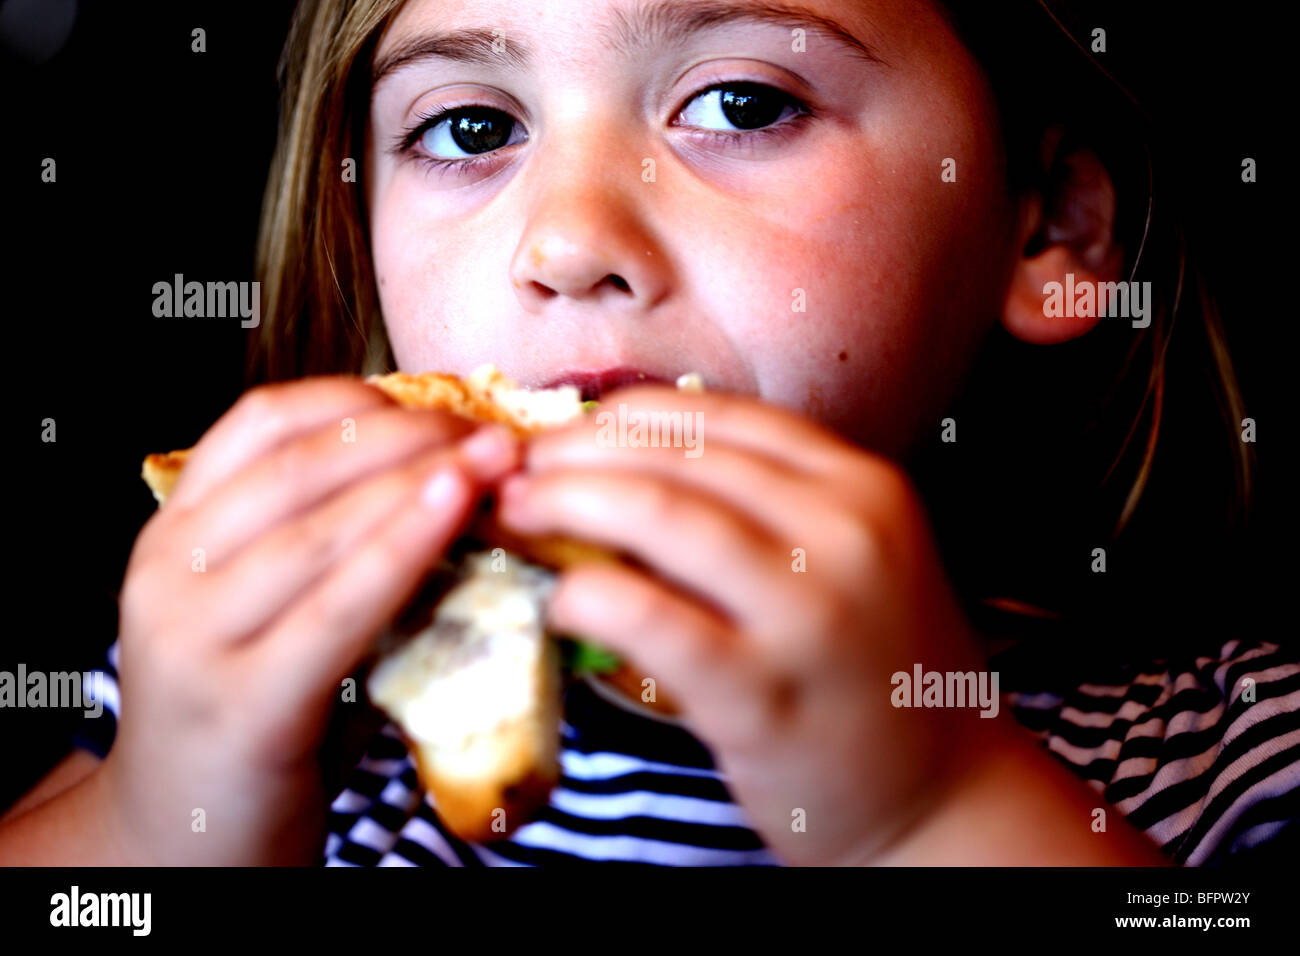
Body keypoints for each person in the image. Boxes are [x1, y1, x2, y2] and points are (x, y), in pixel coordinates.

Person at [2, 0, 1292, 866]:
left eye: (740, 105)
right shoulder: (274, 677)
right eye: (471, 129)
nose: (568, 243)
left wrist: (935, 808)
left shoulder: (1228, 752)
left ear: (1047, 230)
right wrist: (152, 824)